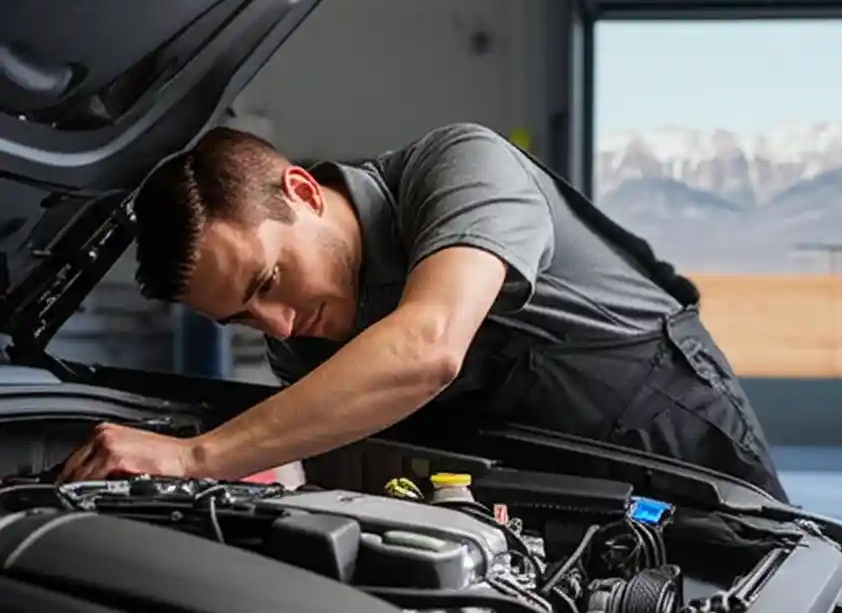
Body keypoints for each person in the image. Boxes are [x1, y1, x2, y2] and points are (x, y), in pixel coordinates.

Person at [56, 123, 788, 501]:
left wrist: (197, 457)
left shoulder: (459, 165)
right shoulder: (305, 334)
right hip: (546, 496)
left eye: (268, 280)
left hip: (671, 435)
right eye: (241, 321)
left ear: (305, 193)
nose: (275, 327)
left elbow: (428, 348)